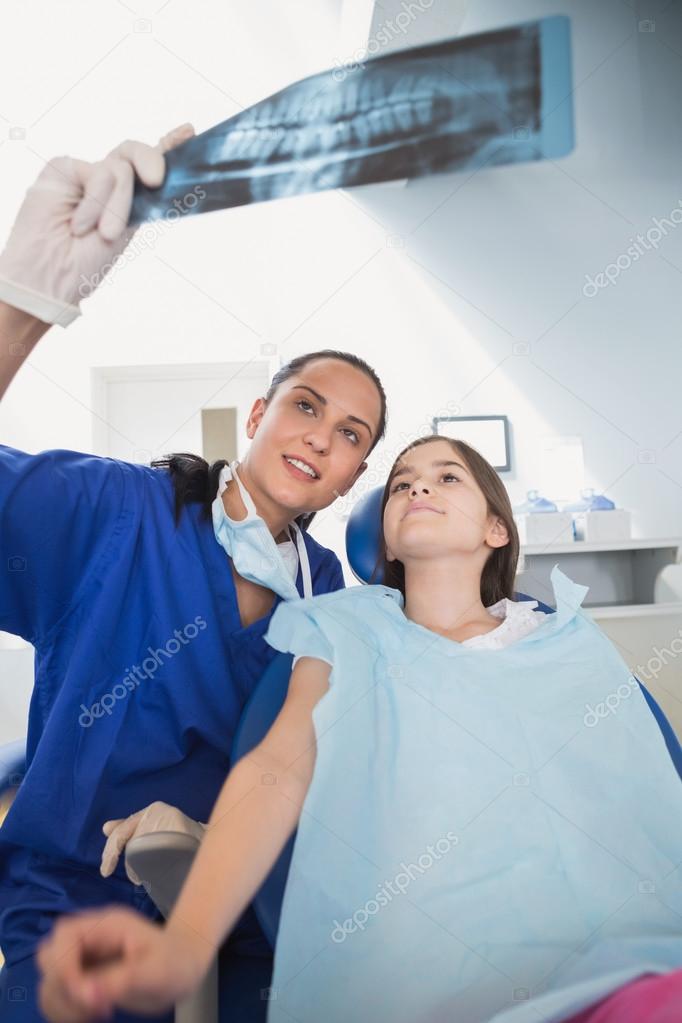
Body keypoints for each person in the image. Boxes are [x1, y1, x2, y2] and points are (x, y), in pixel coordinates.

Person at [35, 435, 682, 1022]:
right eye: (402, 482)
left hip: (613, 968)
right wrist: (184, 946)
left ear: (496, 529)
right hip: (414, 976)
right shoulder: (345, 629)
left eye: (447, 477)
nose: (418, 487)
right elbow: (276, 771)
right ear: (389, 542)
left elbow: (641, 800)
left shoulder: (564, 638)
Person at [0, 127, 388, 1023]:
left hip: (255, 928)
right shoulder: (116, 513)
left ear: (353, 476)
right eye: (305, 407)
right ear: (257, 413)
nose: (321, 439)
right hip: (76, 906)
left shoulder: (335, 604)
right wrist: (21, 301)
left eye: (351, 435)